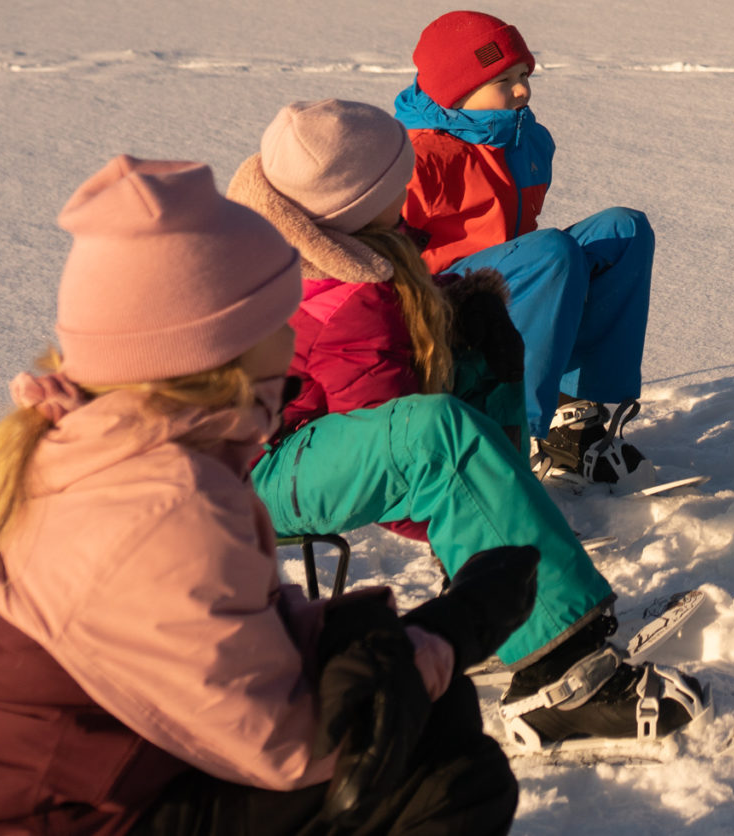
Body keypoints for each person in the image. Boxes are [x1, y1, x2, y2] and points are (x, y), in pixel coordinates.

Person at [0, 154, 527, 836]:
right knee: (447, 777)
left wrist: (378, 639)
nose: (296, 332)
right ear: (223, 344)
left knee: (419, 713)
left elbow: (234, 641)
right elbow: (285, 743)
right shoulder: (159, 500)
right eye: (281, 312)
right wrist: (450, 630)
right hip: (54, 818)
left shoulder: (108, 444)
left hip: (80, 792)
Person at [231, 101, 703, 751]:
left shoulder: (314, 246)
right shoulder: (345, 297)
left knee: (481, 334)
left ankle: (497, 595)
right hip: (249, 474)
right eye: (398, 181)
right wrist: (491, 509)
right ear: (355, 205)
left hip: (289, 448)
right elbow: (403, 462)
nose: (410, 188)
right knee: (440, 436)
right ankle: (557, 681)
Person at [395, 11, 657, 489]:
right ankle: (518, 433)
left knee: (625, 230)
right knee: (553, 252)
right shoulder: (417, 160)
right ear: (457, 92)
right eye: (503, 81)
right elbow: (376, 256)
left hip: (511, 283)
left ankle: (574, 422)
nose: (522, 91)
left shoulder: (525, 140)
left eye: (523, 77)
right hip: (441, 308)